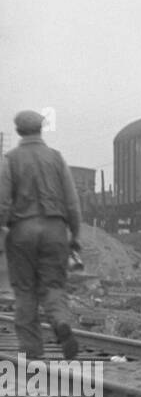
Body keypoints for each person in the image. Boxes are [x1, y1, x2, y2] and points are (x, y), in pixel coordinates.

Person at [0, 110, 82, 360]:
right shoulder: (56, 159)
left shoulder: (9, 160)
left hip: (22, 232)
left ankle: (32, 354)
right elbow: (72, 203)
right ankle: (60, 322)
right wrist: (74, 235)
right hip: (55, 230)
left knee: (25, 292)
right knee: (54, 287)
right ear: (40, 129)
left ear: (18, 131)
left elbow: (2, 202)